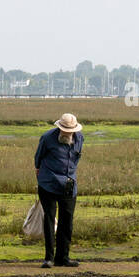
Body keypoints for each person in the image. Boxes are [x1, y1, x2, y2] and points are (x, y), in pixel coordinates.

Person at [33, 113, 83, 268]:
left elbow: (76, 158)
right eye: (64, 130)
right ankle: (49, 258)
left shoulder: (80, 138)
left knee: (66, 221)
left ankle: (63, 258)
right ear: (59, 128)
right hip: (48, 184)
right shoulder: (47, 138)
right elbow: (37, 159)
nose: (67, 133)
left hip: (69, 185)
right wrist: (42, 176)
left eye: (69, 131)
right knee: (49, 219)